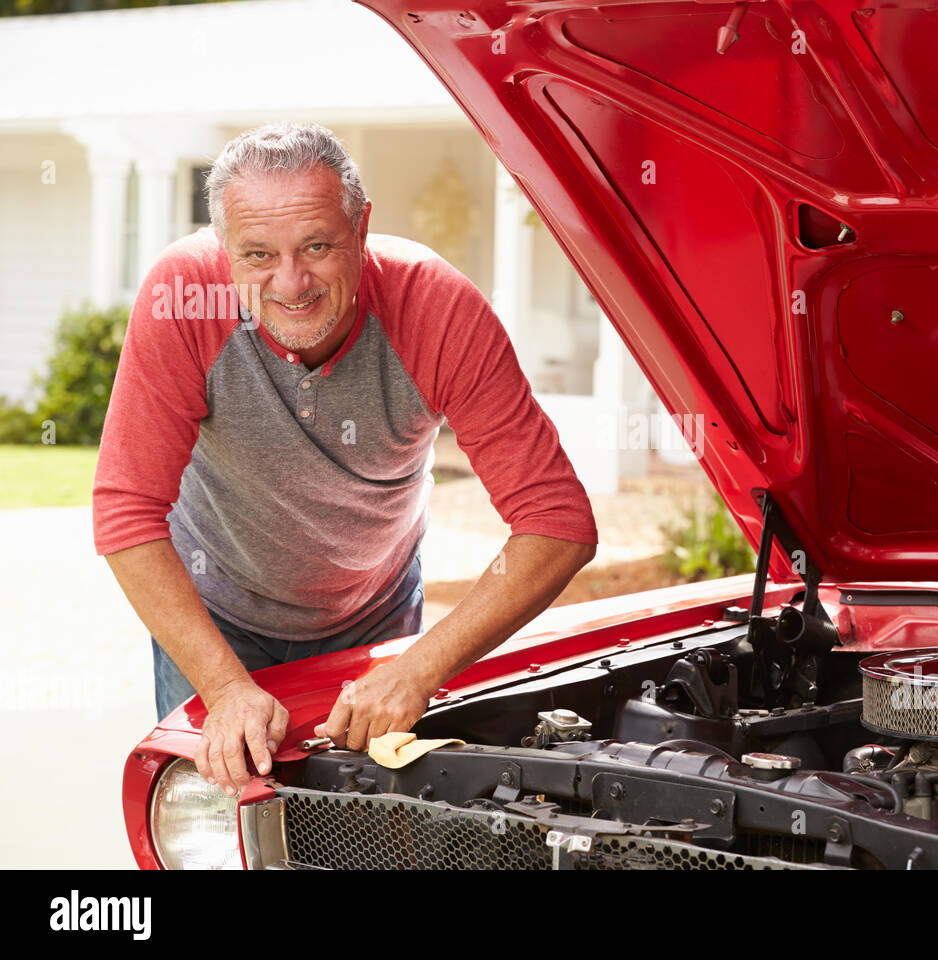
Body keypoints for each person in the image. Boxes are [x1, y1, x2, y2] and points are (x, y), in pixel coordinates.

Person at [92, 122, 598, 798]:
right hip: (217, 619)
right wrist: (222, 687)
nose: (291, 282)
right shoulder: (181, 297)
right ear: (224, 251)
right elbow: (126, 511)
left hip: (374, 617)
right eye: (258, 254)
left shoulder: (437, 308)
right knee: (221, 830)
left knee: (366, 825)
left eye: (318, 245)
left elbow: (558, 521)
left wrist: (419, 669)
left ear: (362, 228)